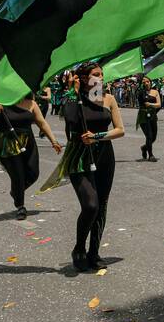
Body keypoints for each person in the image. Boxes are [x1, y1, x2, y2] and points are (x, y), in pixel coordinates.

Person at [42, 63, 124, 272]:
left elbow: (120, 130)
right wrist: (73, 91)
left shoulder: (108, 98)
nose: (101, 78)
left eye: (102, 74)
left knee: (102, 205)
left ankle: (94, 251)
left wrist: (97, 136)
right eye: (96, 75)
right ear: (84, 78)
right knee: (90, 205)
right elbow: (70, 119)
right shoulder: (74, 99)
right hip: (79, 156)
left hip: (104, 154)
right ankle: (79, 248)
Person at [0, 96, 62, 219]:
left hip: (28, 142)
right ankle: (20, 206)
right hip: (9, 144)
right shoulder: (2, 103)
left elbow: (42, 122)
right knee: (18, 175)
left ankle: (16, 191)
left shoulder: (31, 103)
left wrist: (54, 141)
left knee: (33, 173)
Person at [137, 76, 161, 161]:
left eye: (147, 81)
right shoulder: (141, 92)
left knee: (154, 137)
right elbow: (141, 102)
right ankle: (151, 155)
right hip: (143, 116)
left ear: (150, 82)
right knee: (149, 136)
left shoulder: (155, 92)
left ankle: (144, 148)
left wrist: (151, 105)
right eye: (144, 82)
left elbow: (159, 104)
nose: (146, 83)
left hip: (153, 116)